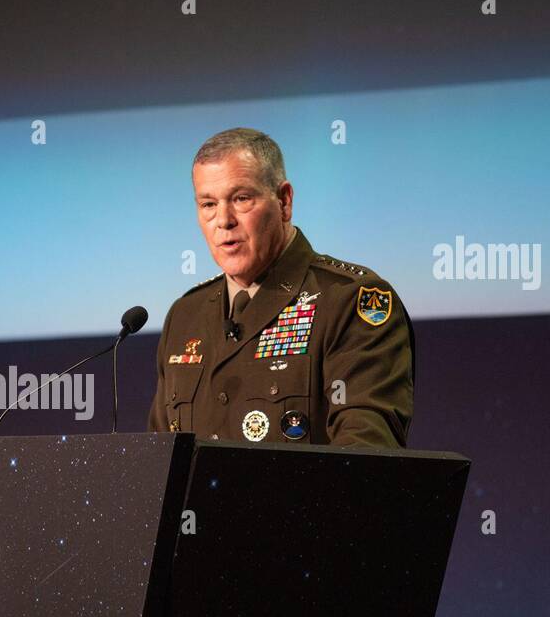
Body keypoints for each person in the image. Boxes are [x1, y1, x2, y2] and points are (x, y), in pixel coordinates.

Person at [147, 128, 414, 448]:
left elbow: (364, 458)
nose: (223, 220)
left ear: (284, 201)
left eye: (241, 199)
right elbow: (159, 460)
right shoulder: (185, 314)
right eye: (208, 204)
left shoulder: (350, 302)